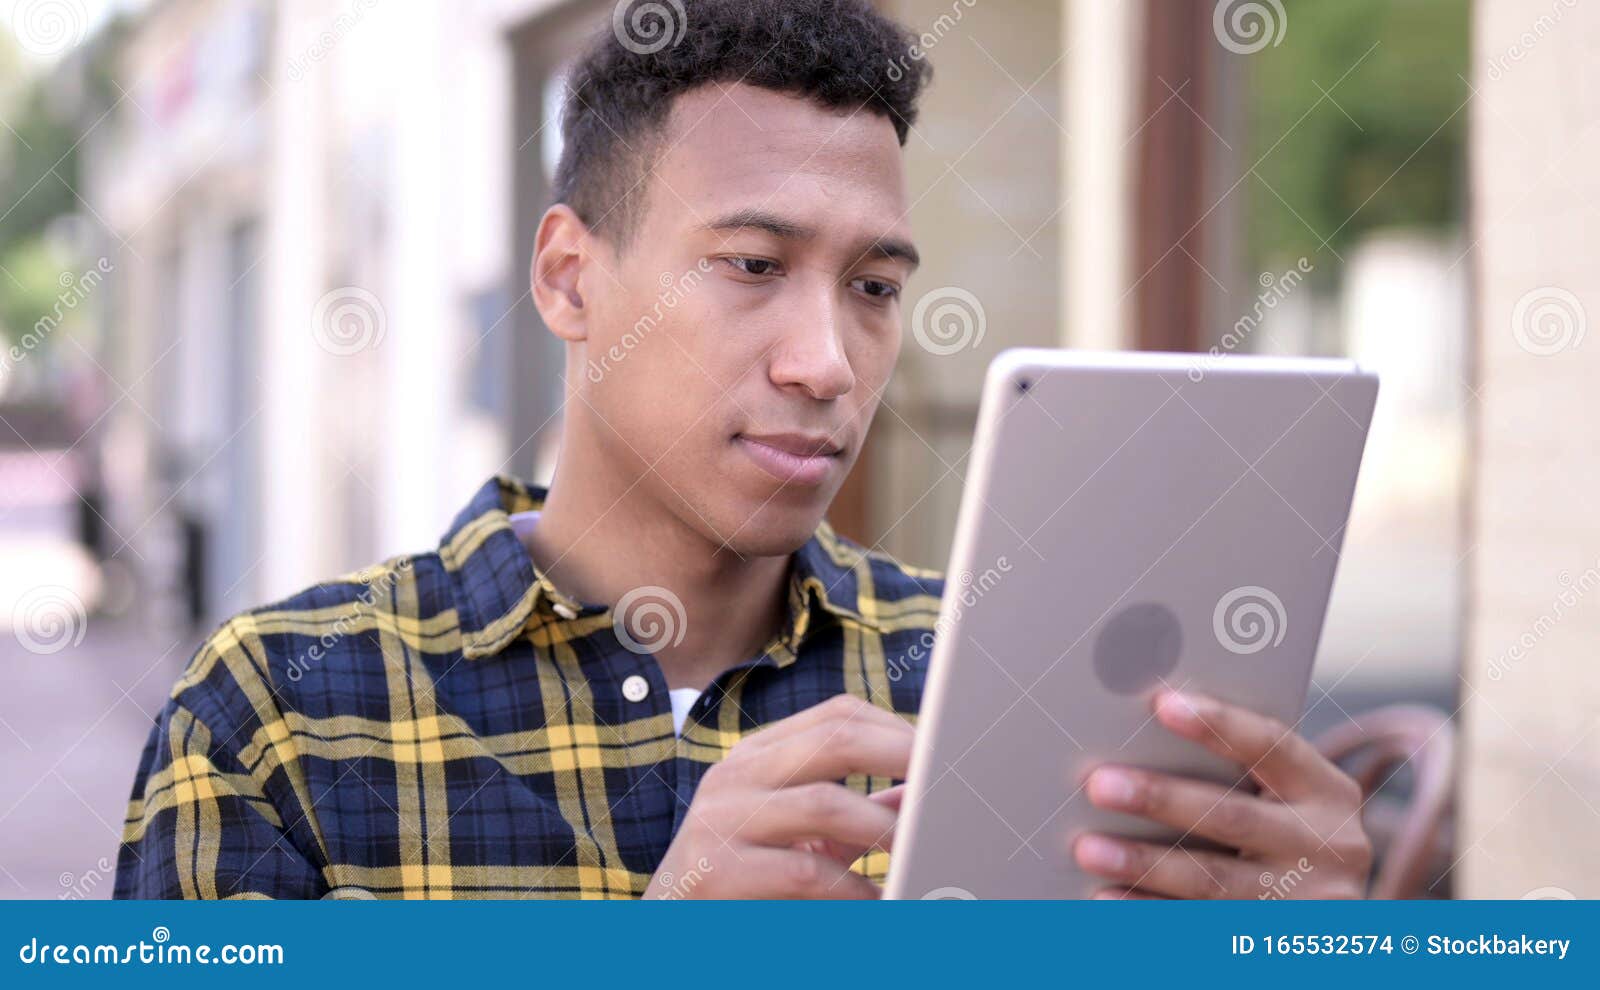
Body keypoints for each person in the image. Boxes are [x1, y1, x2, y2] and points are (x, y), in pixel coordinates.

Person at [114, 0, 1371, 900]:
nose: (825, 362)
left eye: (874, 287)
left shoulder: (997, 690)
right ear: (568, 279)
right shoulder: (283, 719)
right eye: (752, 267)